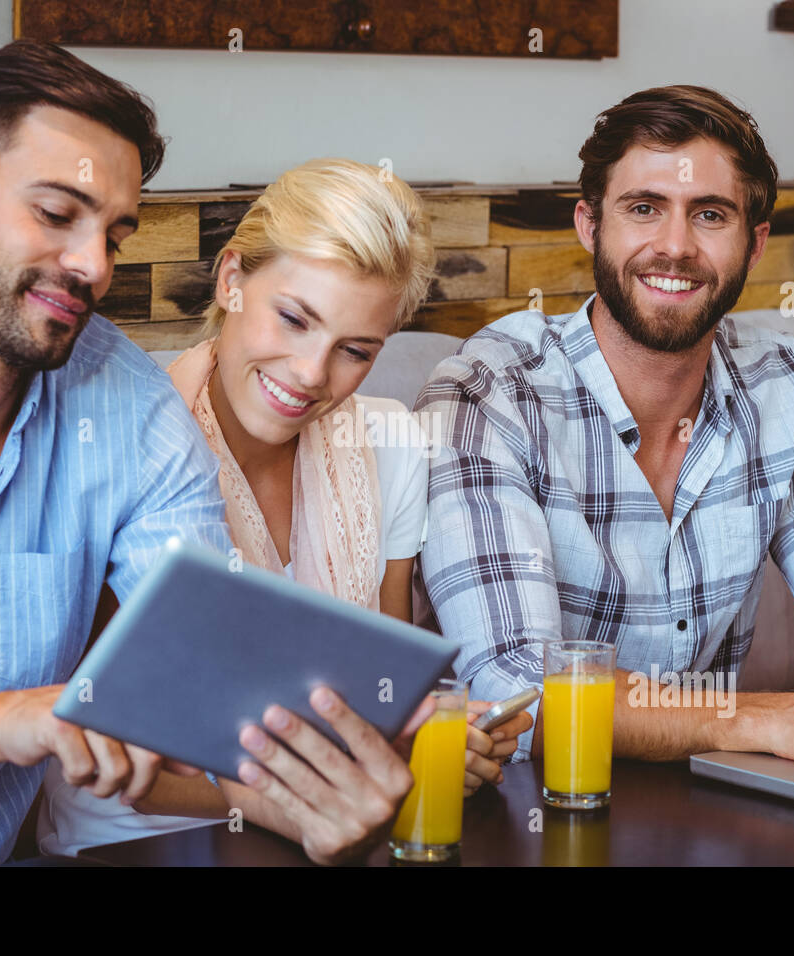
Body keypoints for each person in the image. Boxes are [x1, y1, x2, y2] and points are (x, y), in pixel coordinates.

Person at [0, 40, 423, 867]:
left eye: (115, 234)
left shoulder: (132, 415)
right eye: (58, 215)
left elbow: (214, 684)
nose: (94, 266)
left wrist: (326, 784)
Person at [416, 85, 794, 774]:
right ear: (590, 226)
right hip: (523, 809)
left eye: (709, 214)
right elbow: (515, 688)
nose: (674, 247)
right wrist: (774, 717)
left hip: (711, 802)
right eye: (644, 209)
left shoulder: (779, 383)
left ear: (755, 243)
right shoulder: (489, 394)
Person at [38, 159, 534, 859]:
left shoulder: (389, 443)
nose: (309, 374)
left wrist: (434, 740)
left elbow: (380, 691)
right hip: (139, 843)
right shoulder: (123, 443)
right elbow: (102, 754)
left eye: (354, 351)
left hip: (327, 832)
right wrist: (324, 795)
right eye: (294, 319)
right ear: (233, 279)